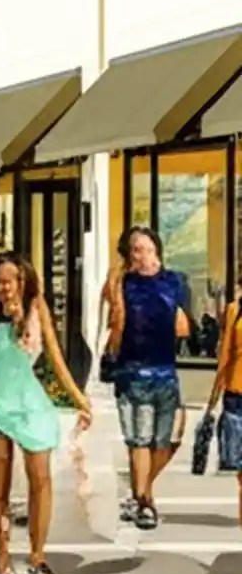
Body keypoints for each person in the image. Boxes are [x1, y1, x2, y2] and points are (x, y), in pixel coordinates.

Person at [0, 252, 91, 574]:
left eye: (10, 280)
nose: (4, 287)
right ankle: (3, 558)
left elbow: (55, 356)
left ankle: (37, 555)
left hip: (29, 404)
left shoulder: (36, 309)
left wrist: (79, 398)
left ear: (22, 281)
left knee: (41, 478)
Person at [102, 226, 188, 530]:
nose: (143, 256)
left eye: (148, 249)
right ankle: (143, 501)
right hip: (132, 369)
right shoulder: (122, 283)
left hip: (166, 369)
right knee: (139, 439)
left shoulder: (174, 281)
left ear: (158, 251)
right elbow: (114, 322)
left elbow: (184, 326)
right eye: (136, 250)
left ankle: (141, 490)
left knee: (170, 438)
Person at [204, 291, 242, 526]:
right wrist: (213, 398)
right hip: (237, 392)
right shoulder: (234, 310)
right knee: (239, 462)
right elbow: (225, 354)